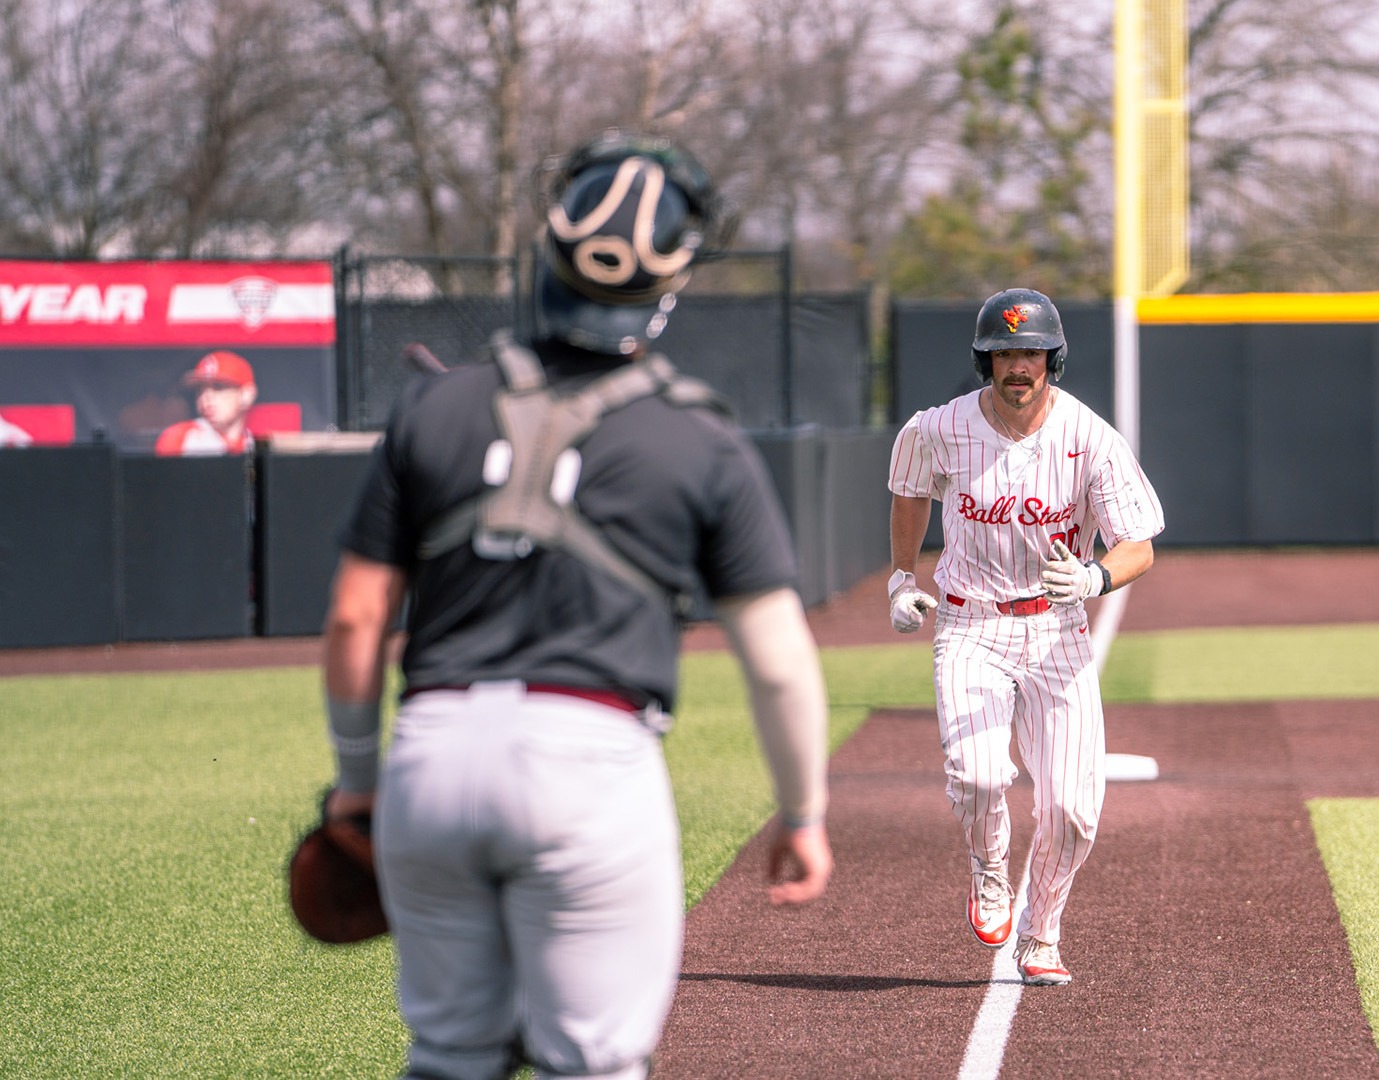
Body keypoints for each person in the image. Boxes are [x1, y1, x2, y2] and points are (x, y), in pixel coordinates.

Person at [319, 132, 833, 1080]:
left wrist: (357, 778)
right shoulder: (702, 438)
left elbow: (356, 617)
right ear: (667, 285)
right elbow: (778, 660)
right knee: (592, 1061)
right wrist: (801, 813)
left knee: (448, 1055)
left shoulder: (433, 408)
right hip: (590, 766)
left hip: (430, 757)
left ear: (547, 255)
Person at [885, 287, 1164, 987]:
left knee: (1072, 808)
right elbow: (910, 492)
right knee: (979, 777)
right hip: (970, 622)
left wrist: (1097, 579)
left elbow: (1140, 543)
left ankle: (1042, 933)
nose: (1019, 366)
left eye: (1031, 352)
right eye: (1005, 351)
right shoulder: (937, 428)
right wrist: (899, 576)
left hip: (1057, 628)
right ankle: (989, 870)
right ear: (986, 359)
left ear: (1052, 359)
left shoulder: (1089, 436)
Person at [155, 350, 257, 455]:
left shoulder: (258, 442)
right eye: (200, 389)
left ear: (247, 395)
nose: (206, 397)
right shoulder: (180, 438)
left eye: (218, 387)